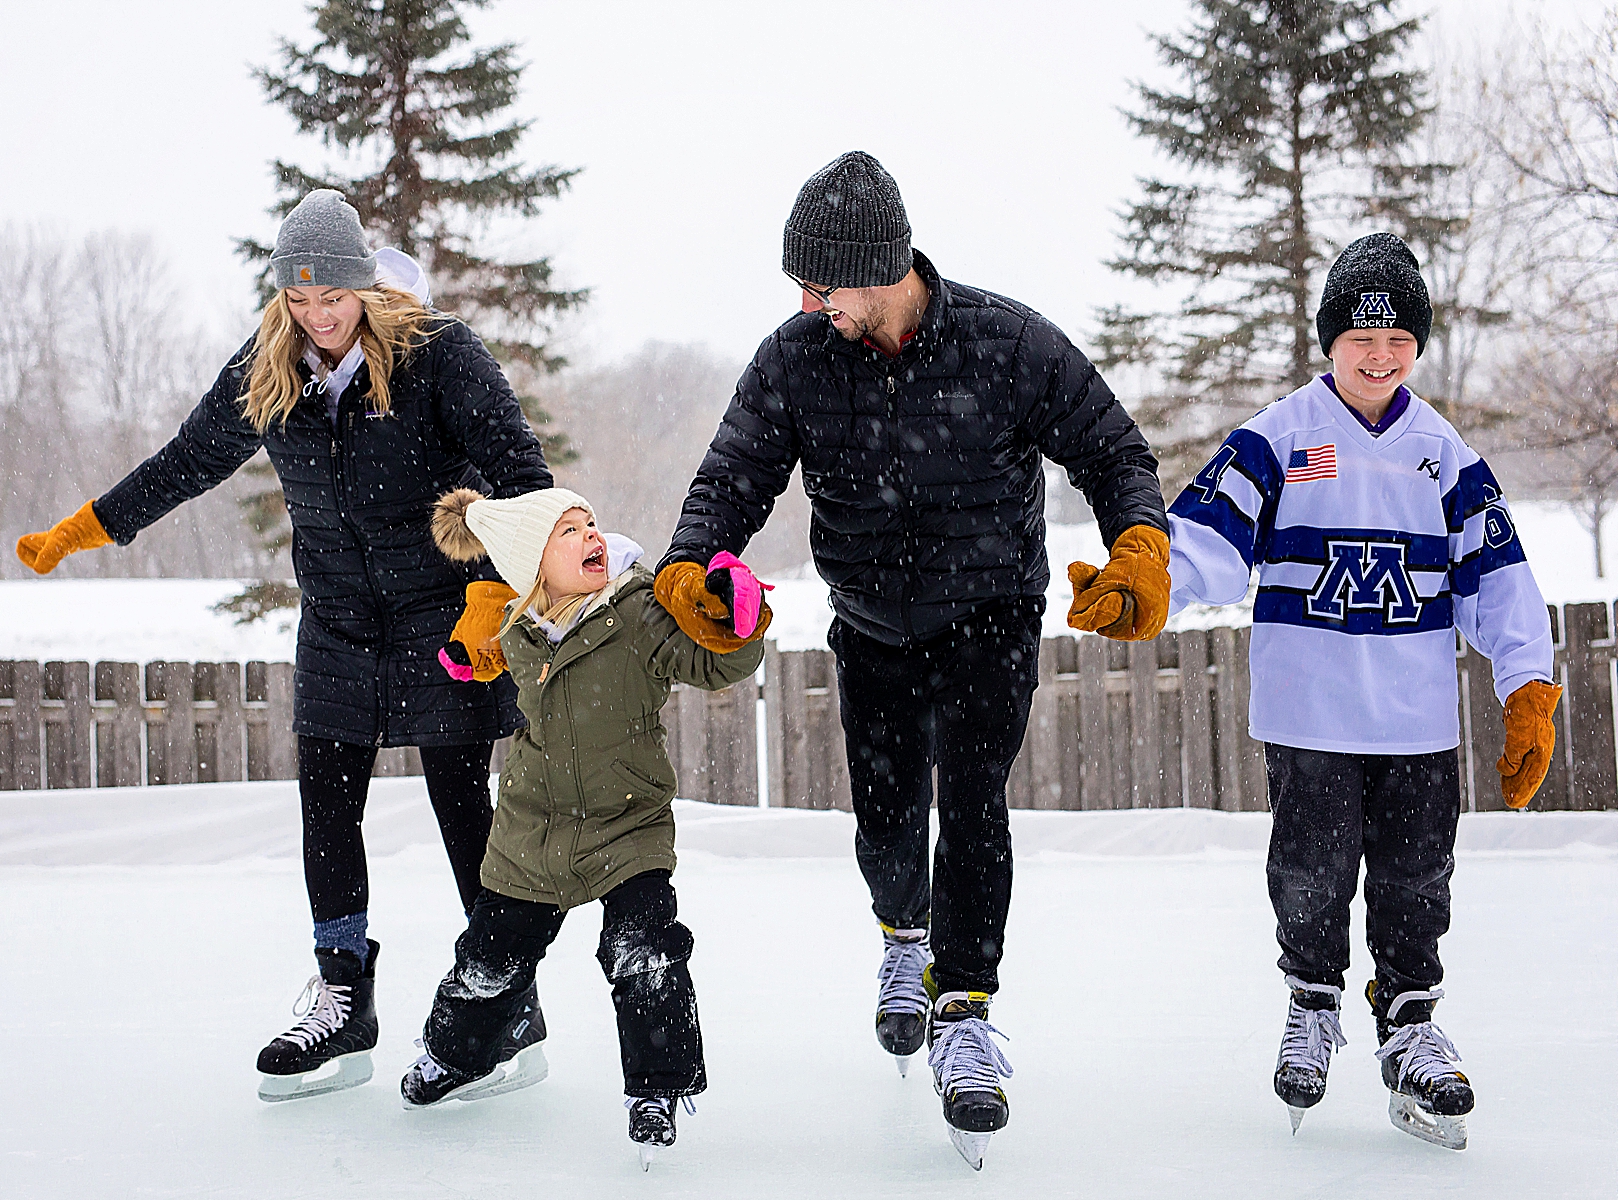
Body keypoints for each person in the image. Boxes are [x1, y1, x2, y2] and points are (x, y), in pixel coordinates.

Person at [660, 150, 1170, 1167]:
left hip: (990, 616)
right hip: (875, 627)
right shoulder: (797, 357)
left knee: (975, 799)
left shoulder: (1006, 344)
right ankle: (903, 936)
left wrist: (1138, 545)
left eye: (822, 283)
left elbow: (1114, 452)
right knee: (888, 824)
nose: (808, 302)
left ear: (883, 266)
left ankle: (966, 1011)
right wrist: (691, 564)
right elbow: (733, 478)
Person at [14, 189, 555, 1103]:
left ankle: (504, 1001)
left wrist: (494, 598)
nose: (316, 316)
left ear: (363, 286)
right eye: (298, 300)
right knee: (325, 806)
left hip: (441, 622)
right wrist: (91, 526)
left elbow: (523, 478)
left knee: (462, 808)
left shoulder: (437, 357)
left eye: (331, 297)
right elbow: (190, 460)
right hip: (339, 625)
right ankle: (344, 1002)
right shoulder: (271, 367)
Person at [1165, 232, 1561, 1151]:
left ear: (1416, 347)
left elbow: (1497, 576)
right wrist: (1156, 581)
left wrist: (1527, 683)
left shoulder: (1444, 453)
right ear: (1329, 343)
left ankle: (1412, 1019)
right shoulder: (1281, 436)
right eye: (1359, 339)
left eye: (1397, 341)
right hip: (1311, 715)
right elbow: (1211, 539)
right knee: (1310, 873)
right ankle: (1312, 1002)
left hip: (1415, 720)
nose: (1378, 357)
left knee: (1417, 878)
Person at [403, 486, 769, 1168]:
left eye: (591, 522)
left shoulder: (636, 613)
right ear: (533, 566)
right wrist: (471, 654)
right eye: (567, 531)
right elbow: (485, 640)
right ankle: (451, 1054)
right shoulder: (519, 629)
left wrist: (738, 618)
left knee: (647, 951)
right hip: (532, 830)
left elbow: (713, 660)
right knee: (488, 961)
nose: (591, 535)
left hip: (628, 827)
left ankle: (656, 1089)